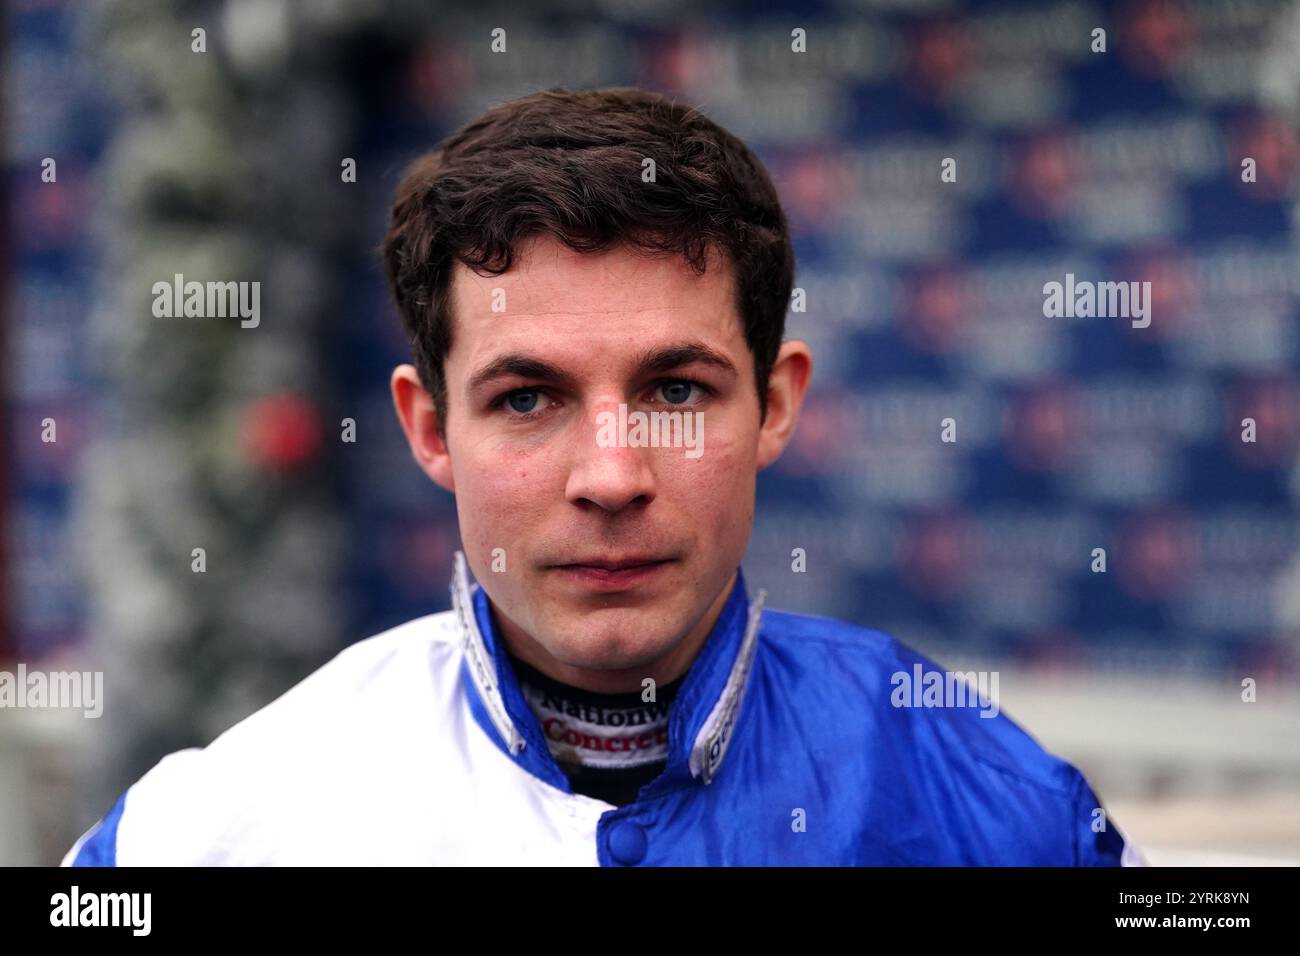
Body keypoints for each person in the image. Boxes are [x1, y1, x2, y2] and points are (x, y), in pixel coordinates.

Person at [64, 86, 1143, 866]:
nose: (613, 475)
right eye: (527, 398)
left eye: (675, 390)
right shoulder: (228, 821)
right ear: (430, 428)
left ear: (773, 404)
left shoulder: (982, 792)